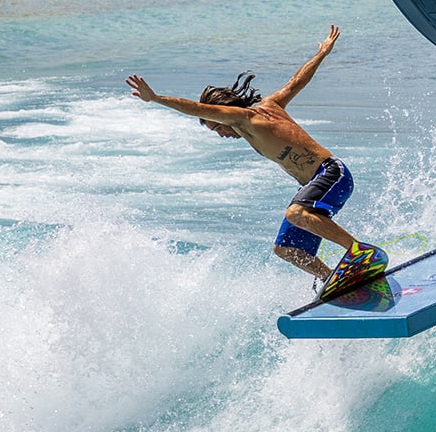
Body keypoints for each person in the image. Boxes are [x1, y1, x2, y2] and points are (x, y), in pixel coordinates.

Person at [126, 27, 385, 289]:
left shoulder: (247, 118)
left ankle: (360, 252)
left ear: (224, 115)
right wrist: (321, 53)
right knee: (286, 247)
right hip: (317, 184)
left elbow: (197, 108)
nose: (221, 134)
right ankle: (332, 279)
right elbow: (298, 81)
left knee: (296, 213)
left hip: (331, 174)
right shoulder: (270, 105)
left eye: (217, 127)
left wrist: (157, 99)